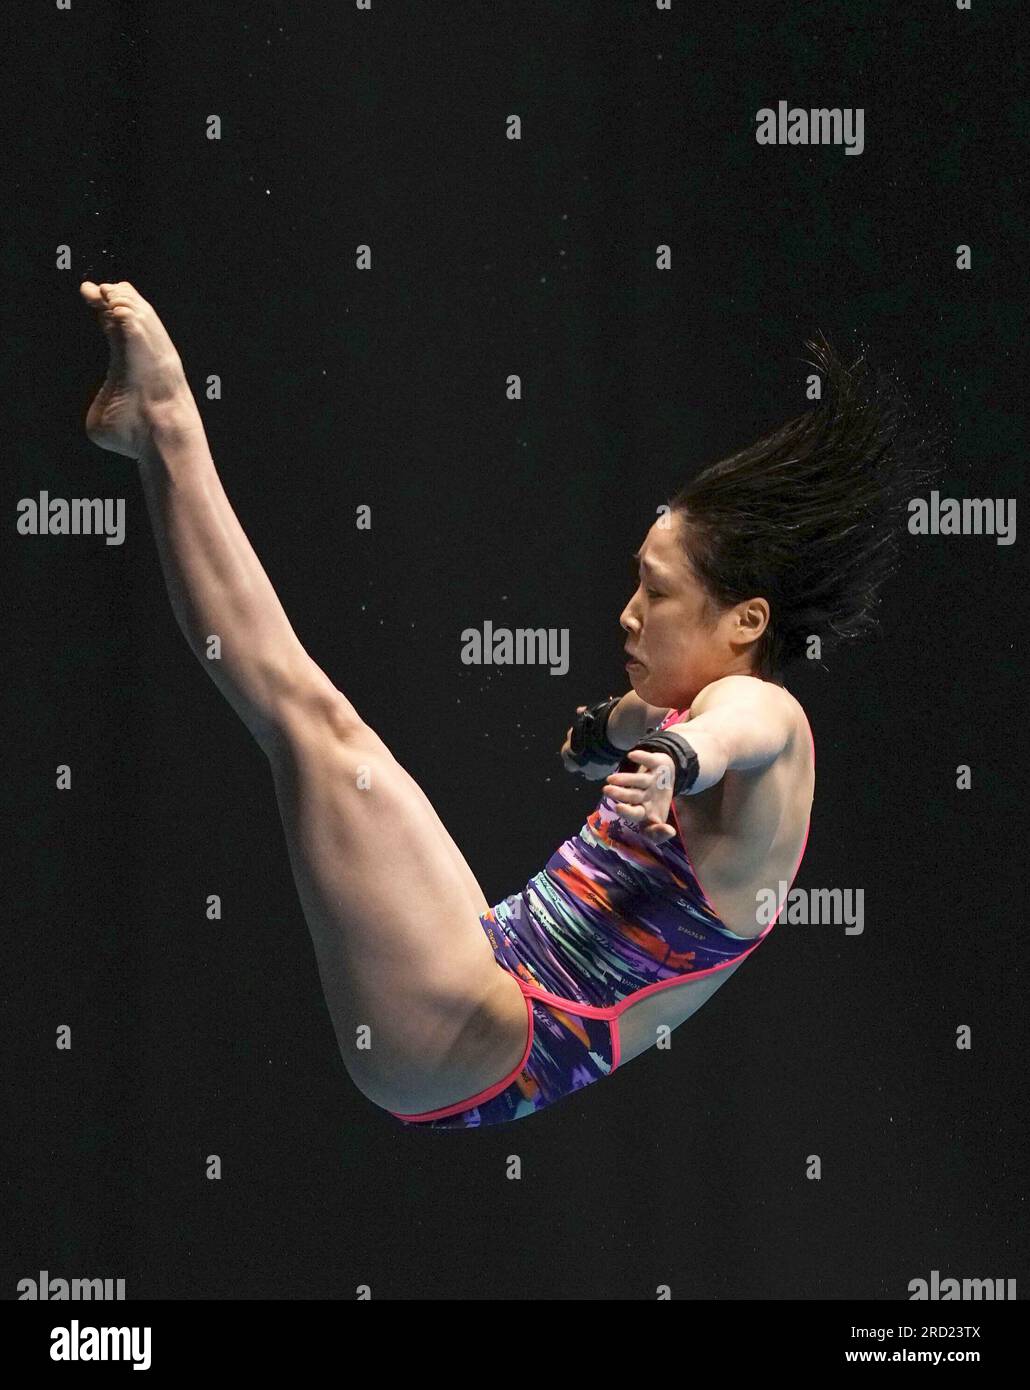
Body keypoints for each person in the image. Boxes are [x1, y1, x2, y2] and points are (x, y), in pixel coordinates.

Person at [78, 280, 919, 1129]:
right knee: (323, 731)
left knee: (308, 718)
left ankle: (164, 422)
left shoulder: (762, 714)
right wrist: (599, 740)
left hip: (474, 1030)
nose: (628, 612)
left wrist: (671, 762)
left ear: (745, 621)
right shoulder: (684, 707)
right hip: (485, 983)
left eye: (656, 593)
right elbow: (618, 728)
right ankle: (152, 430)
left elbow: (733, 732)